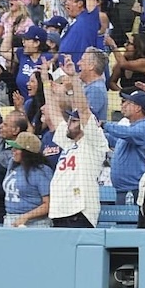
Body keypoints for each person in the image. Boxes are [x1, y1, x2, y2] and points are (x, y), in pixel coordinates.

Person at [47, 82, 107, 228]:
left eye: (74, 121)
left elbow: (84, 110)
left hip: (80, 211)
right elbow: (53, 112)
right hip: (60, 211)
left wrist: (74, 78)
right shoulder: (67, 142)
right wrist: (45, 81)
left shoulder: (94, 142)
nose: (69, 123)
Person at [104, 90, 145, 204]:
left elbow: (128, 133)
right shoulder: (132, 128)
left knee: (134, 216)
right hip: (122, 190)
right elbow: (115, 140)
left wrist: (104, 124)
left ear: (138, 108)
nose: (123, 105)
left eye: (128, 103)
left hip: (135, 190)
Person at [1, 131, 53, 227]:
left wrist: (26, 217)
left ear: (27, 152)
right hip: (10, 219)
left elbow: (48, 204)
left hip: (35, 223)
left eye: (17, 148)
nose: (13, 150)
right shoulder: (12, 164)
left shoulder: (41, 171)